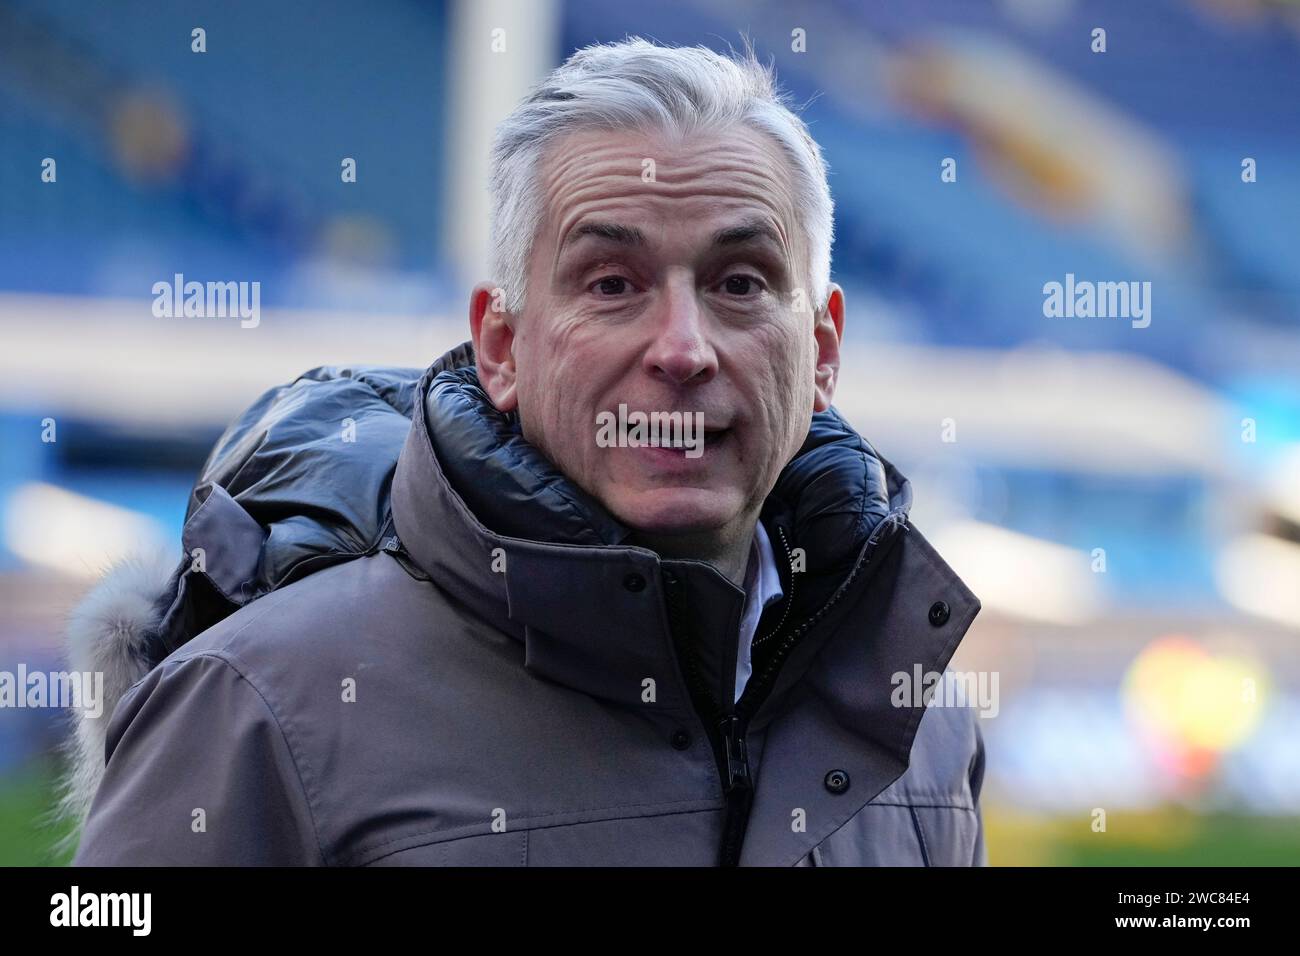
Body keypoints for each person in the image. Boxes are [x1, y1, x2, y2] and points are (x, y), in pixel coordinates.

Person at [65, 37, 987, 866]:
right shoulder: (256, 709)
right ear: (502, 349)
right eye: (612, 283)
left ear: (822, 351)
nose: (682, 347)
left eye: (740, 282)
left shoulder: (920, 724)